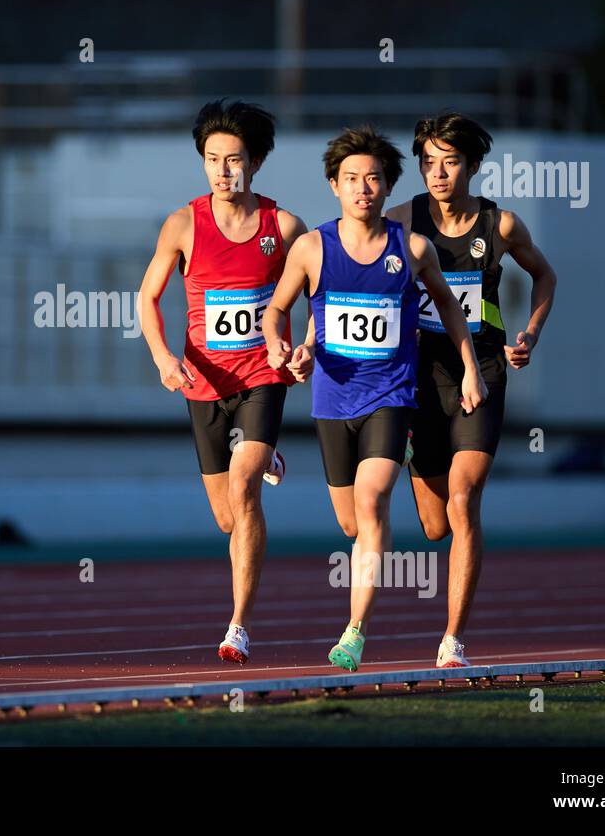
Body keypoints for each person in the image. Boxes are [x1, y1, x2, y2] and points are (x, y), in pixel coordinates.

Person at [263, 126, 484, 672]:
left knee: (373, 498)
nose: (363, 188)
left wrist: (471, 369)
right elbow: (274, 309)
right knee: (350, 523)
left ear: (388, 188)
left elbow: (451, 310)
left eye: (374, 179)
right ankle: (381, 482)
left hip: (392, 395)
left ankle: (355, 631)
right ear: (333, 185)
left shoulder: (411, 248)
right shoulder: (312, 248)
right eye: (352, 179)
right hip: (333, 401)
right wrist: (280, 347)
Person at [138, 99, 307, 664]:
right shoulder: (183, 224)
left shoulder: (283, 227)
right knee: (227, 518)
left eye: (233, 160)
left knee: (245, 485)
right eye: (212, 159)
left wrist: (302, 347)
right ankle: (266, 459)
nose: (222, 171)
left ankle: (238, 626)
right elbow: (148, 296)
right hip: (203, 381)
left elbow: (323, 297)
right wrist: (163, 356)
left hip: (264, 373)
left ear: (256, 162)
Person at [386, 113, 557, 667]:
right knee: (435, 526)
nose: (437, 173)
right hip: (419, 378)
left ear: (474, 167)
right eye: (428, 162)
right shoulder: (401, 220)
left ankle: (452, 640)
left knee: (464, 501)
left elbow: (545, 276)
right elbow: (351, 259)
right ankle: (416, 453)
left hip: (481, 372)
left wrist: (528, 333)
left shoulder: (500, 226)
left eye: (450, 162)